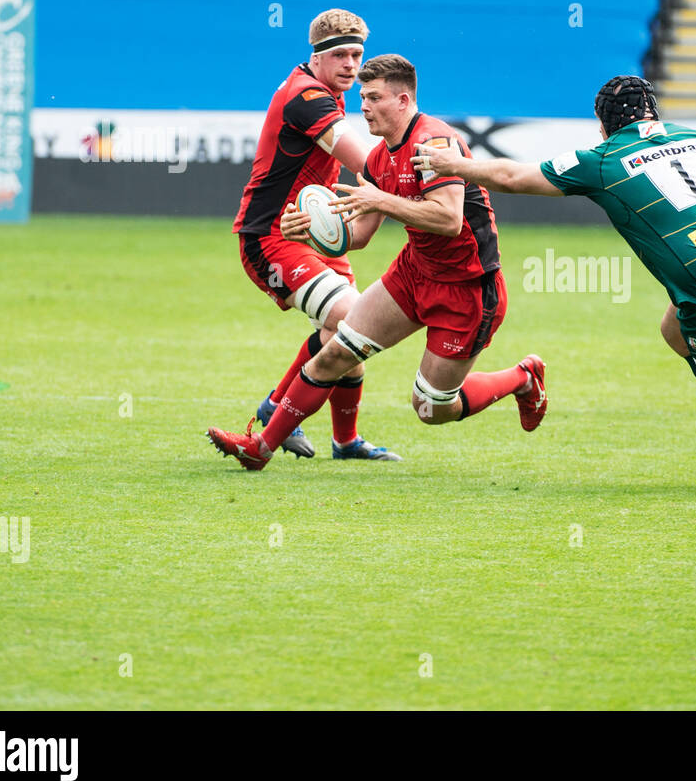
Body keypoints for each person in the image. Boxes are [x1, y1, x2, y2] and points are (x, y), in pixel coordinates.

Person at [413, 75, 696, 492]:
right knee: (674, 330)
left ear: (604, 124)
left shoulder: (603, 158)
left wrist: (457, 165)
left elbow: (513, 176)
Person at [208, 54, 547, 470]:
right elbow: (359, 237)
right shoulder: (379, 159)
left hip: (467, 289)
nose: (363, 106)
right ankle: (259, 448)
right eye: (362, 98)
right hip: (412, 273)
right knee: (335, 352)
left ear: (403, 101)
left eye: (373, 98)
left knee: (431, 408)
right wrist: (310, 232)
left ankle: (522, 377)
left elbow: (448, 218)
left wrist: (380, 199)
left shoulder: (435, 143)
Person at [233, 8, 398, 462]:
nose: (351, 64)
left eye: (357, 54)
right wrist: (415, 178)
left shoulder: (327, 89)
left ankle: (345, 442)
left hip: (313, 232)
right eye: (341, 54)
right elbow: (363, 160)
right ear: (317, 56)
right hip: (270, 236)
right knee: (350, 321)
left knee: (353, 333)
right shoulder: (307, 97)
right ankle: (277, 407)